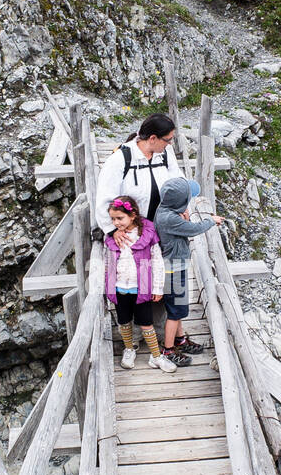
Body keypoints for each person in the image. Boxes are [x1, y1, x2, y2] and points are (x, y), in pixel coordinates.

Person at [154, 176, 222, 367]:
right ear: (181, 202)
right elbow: (193, 229)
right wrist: (211, 220)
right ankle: (168, 350)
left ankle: (180, 339)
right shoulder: (170, 219)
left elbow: (180, 226)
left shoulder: (164, 211)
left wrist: (182, 216)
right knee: (176, 312)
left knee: (178, 310)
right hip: (175, 272)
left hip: (173, 269)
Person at [103, 196, 173, 372]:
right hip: (119, 286)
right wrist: (106, 285)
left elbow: (157, 261)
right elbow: (107, 262)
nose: (116, 222)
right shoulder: (112, 237)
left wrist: (157, 287)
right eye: (113, 219)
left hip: (140, 287)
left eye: (120, 218)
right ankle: (129, 349)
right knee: (124, 321)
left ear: (132, 215)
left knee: (146, 322)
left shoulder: (146, 235)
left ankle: (156, 356)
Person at [94, 114, 179, 235]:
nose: (170, 143)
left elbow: (179, 184)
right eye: (167, 139)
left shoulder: (165, 157)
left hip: (162, 230)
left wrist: (182, 207)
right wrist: (112, 230)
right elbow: (105, 198)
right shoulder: (119, 160)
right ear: (153, 138)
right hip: (130, 233)